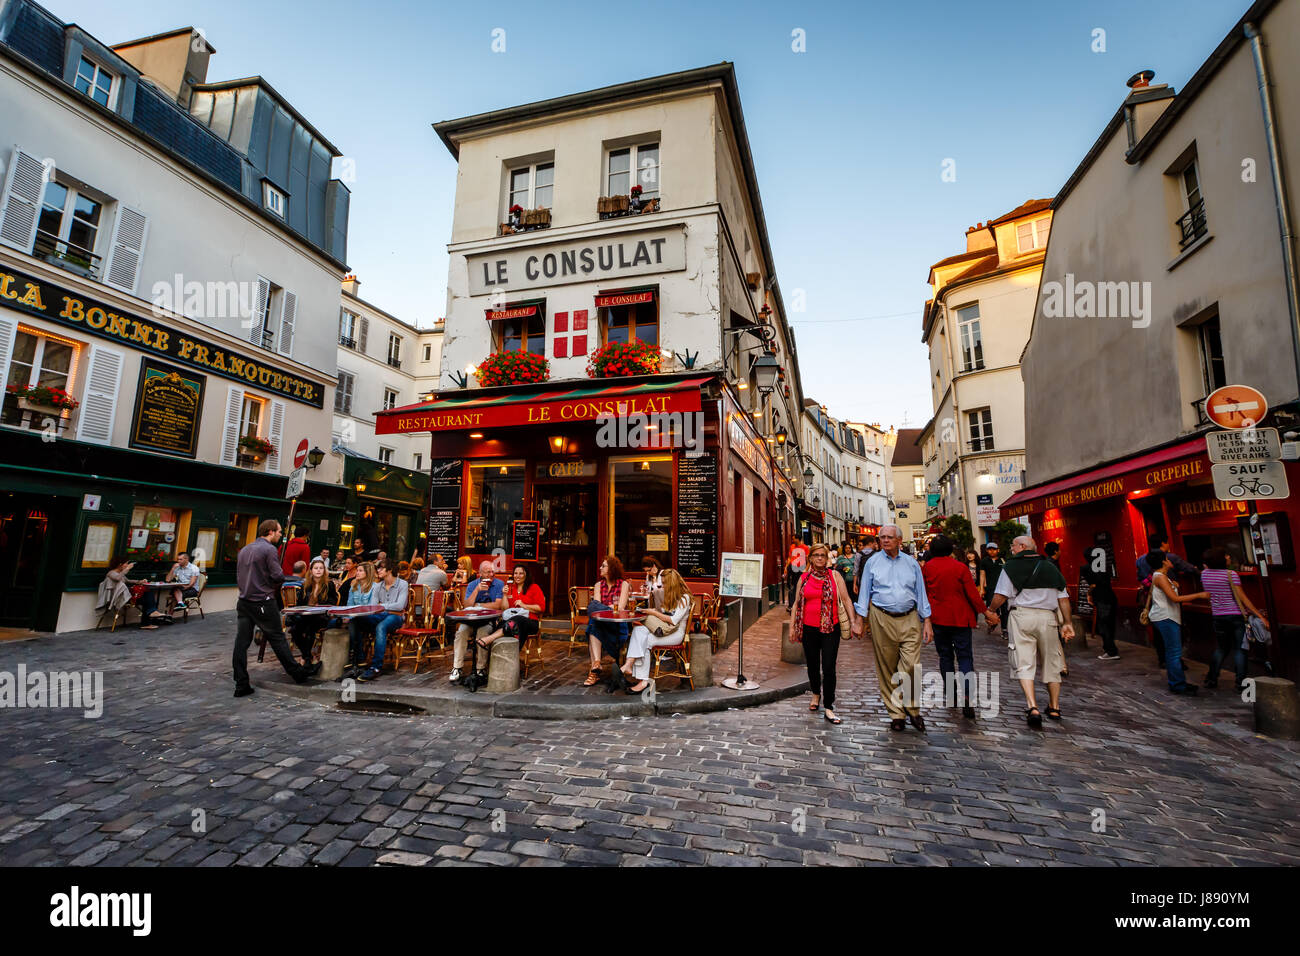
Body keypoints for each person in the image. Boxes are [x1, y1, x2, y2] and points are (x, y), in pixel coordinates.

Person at [986, 535, 1074, 727]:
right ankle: (1054, 706)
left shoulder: (1010, 567)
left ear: (1023, 547)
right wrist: (1067, 622)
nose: (1011, 549)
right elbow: (1063, 598)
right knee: (1052, 661)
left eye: (1013, 546)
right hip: (1047, 618)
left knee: (1023, 661)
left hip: (1022, 616)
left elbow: (1001, 595)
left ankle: (1032, 706)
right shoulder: (1050, 567)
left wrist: (991, 611)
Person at [852, 524, 932, 732]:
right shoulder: (872, 563)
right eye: (882, 538)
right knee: (887, 667)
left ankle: (913, 709)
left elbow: (921, 591)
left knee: (911, 666)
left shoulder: (911, 564)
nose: (885, 541)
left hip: (909, 617)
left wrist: (928, 621)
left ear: (899, 540)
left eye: (889, 537)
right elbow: (864, 592)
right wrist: (860, 620)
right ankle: (896, 714)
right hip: (881, 617)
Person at [232, 520, 315, 697]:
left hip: (244, 600)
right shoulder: (269, 549)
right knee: (277, 638)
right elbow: (277, 575)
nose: (280, 535)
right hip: (262, 600)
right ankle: (298, 674)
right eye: (278, 532)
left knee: (241, 642)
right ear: (270, 532)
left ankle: (241, 682)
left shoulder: (245, 549)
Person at [792, 544, 859, 725]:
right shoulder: (804, 578)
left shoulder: (835, 576)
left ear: (827, 558)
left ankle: (829, 706)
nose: (820, 558)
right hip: (808, 628)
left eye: (823, 555)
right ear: (811, 558)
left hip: (831, 628)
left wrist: (853, 622)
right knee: (813, 665)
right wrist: (792, 628)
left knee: (829, 667)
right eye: (816, 555)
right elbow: (797, 604)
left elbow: (846, 600)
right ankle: (815, 694)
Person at [921, 534, 987, 719]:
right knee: (965, 657)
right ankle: (967, 696)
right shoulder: (960, 567)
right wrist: (986, 612)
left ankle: (951, 694)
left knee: (945, 656)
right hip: (960, 617)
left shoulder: (928, 569)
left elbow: (924, 593)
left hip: (938, 618)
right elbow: (972, 594)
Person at [1200, 547, 1266, 692]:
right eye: (1225, 555)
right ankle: (1240, 682)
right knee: (1240, 649)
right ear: (1221, 559)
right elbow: (1243, 599)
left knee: (1221, 648)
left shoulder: (1204, 575)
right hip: (1235, 616)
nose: (1228, 557)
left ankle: (1211, 678)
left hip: (1218, 616)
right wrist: (1260, 616)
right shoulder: (1231, 575)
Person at [1146, 549, 1209, 695]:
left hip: (1166, 616)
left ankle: (1178, 682)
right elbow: (1174, 599)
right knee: (1174, 653)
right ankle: (1177, 685)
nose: (1170, 561)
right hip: (1166, 617)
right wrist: (1199, 595)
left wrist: (1173, 584)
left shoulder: (1161, 576)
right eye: (1167, 559)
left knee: (1172, 652)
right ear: (1163, 561)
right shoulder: (1160, 577)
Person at [624, 568, 693, 694]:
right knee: (638, 630)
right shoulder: (670, 596)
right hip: (666, 630)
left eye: (665, 583)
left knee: (646, 640)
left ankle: (643, 681)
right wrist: (655, 610)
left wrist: (652, 612)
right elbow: (664, 616)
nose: (663, 586)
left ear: (672, 583)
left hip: (676, 634)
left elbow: (673, 621)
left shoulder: (684, 598)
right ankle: (630, 665)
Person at [475, 564, 547, 683]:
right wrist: (504, 595)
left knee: (518, 619)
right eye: (515, 573)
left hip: (530, 622)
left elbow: (541, 608)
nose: (517, 576)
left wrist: (525, 605)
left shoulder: (533, 587)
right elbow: (505, 608)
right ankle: (500, 663)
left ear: (526, 575)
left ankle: (489, 639)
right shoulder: (510, 588)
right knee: (509, 623)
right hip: (511, 623)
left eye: (521, 573)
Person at [349, 562, 410, 682]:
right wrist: (384, 607)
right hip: (381, 614)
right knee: (356, 620)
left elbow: (400, 606)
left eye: (381, 569)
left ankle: (376, 667)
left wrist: (382, 605)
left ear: (389, 570)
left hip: (396, 617)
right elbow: (373, 606)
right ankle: (359, 659)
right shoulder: (378, 586)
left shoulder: (402, 584)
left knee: (381, 627)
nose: (378, 571)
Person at [450, 562, 506, 683]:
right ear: (480, 573)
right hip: (471, 620)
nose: (491, 574)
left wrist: (478, 604)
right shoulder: (472, 585)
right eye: (488, 572)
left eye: (492, 572)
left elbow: (498, 605)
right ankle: (457, 667)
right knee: (461, 632)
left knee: (483, 633)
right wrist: (477, 590)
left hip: (488, 620)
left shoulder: (499, 584)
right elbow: (466, 605)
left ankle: (480, 669)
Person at [584, 556, 630, 687]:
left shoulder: (624, 584)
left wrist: (603, 608)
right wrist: (608, 608)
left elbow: (620, 608)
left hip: (617, 625)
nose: (600, 568)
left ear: (611, 568)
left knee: (592, 617)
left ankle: (594, 671)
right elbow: (597, 610)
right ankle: (596, 665)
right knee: (593, 623)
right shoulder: (598, 585)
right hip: (602, 623)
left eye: (603, 566)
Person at [288, 557, 338, 665]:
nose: (318, 570)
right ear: (311, 570)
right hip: (307, 615)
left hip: (321, 616)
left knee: (310, 629)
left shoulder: (329, 584)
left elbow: (333, 601)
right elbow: (300, 603)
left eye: (321, 568)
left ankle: (305, 658)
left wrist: (320, 605)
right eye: (316, 568)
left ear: (324, 570)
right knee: (294, 630)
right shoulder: (306, 585)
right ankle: (307, 655)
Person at [97, 557, 169, 629]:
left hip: (125, 597)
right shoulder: (111, 573)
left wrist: (140, 581)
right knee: (147, 597)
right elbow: (118, 578)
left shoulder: (120, 574)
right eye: (126, 563)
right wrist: (127, 569)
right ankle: (149, 617)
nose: (127, 565)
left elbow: (128, 581)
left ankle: (150, 616)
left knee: (147, 594)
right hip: (118, 598)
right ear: (120, 564)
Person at [1082, 547, 1120, 660]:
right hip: (1111, 597)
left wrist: (1089, 594)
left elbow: (1092, 585)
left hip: (1101, 599)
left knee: (1103, 626)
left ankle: (1111, 651)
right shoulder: (1104, 566)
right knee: (1110, 625)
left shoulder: (1086, 568)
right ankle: (1108, 647)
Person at [978, 542, 1005, 633]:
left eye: (994, 549)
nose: (992, 551)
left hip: (1003, 589)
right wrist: (982, 588)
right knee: (991, 609)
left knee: (1004, 609)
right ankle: (992, 624)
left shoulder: (1003, 560)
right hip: (991, 588)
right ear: (987, 550)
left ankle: (1004, 629)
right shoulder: (984, 561)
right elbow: (982, 574)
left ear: (998, 550)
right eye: (989, 549)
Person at [165, 551, 201, 617]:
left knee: (175, 594)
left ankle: (169, 615)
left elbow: (191, 584)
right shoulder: (177, 568)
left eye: (180, 559)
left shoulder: (194, 568)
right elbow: (167, 580)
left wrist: (183, 587)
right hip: (180, 588)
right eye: (178, 559)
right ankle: (180, 603)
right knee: (176, 589)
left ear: (186, 559)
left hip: (192, 589)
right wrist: (173, 569)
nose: (178, 561)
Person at [785, 537, 810, 608]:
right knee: (791, 586)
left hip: (800, 569)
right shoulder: (792, 547)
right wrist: (786, 567)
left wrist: (806, 569)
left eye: (794, 539)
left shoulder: (805, 547)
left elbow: (808, 560)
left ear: (798, 539)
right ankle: (791, 605)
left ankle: (799, 603)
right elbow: (790, 557)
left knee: (799, 586)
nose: (792, 540)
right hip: (792, 568)